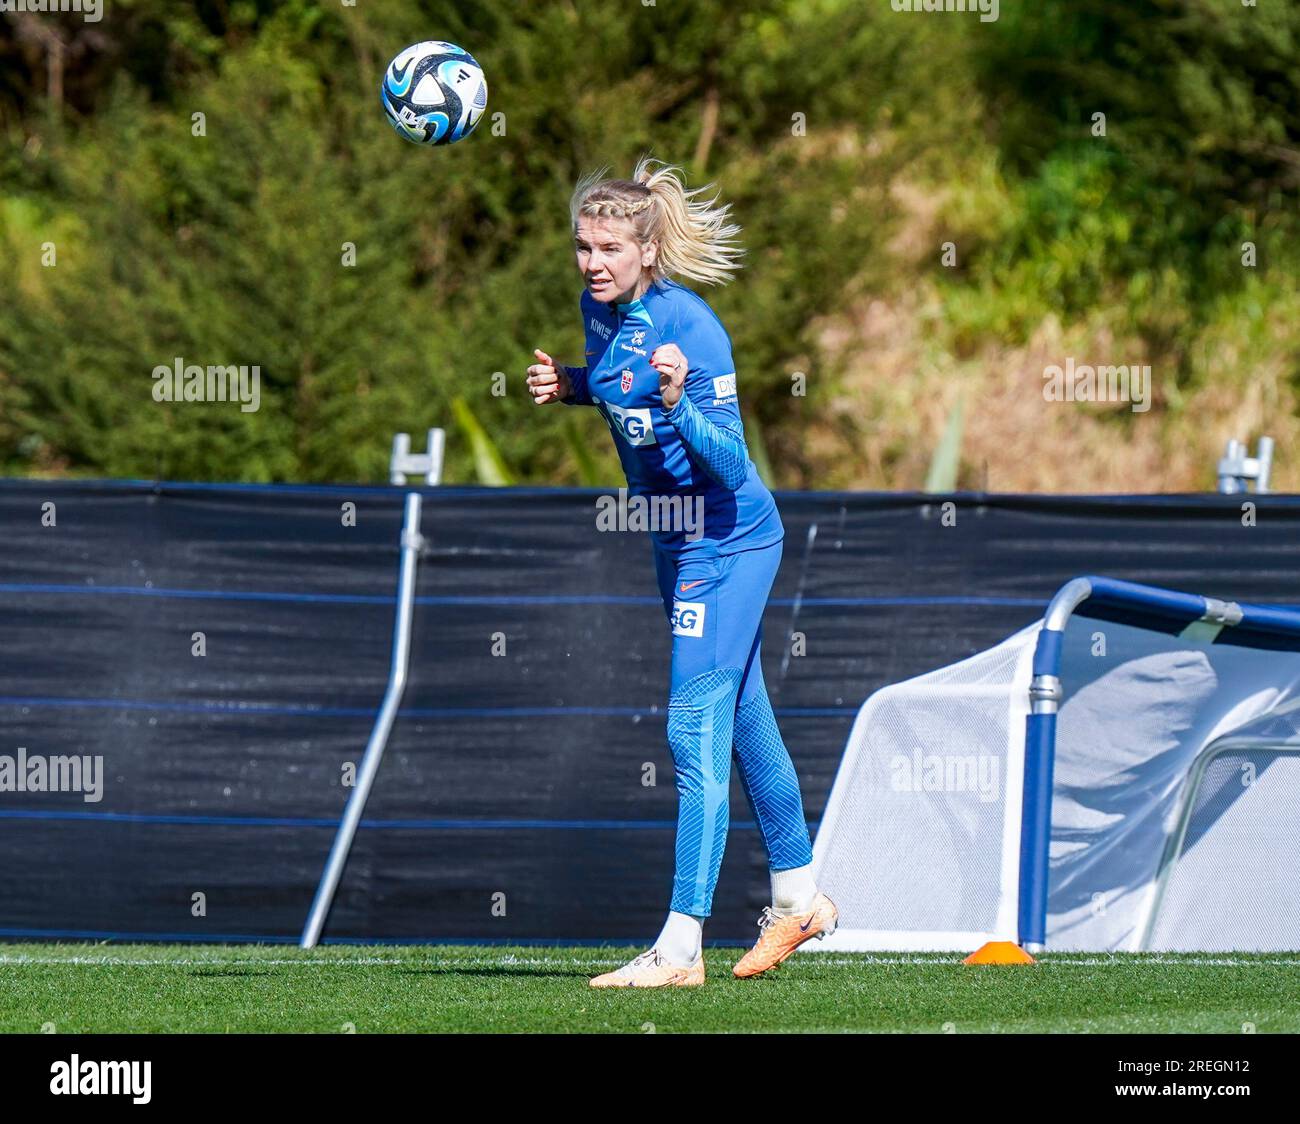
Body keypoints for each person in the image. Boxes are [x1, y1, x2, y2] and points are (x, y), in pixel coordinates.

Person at [526, 156, 836, 987]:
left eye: (609, 249)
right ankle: (801, 897)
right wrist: (574, 387)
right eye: (583, 247)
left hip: (729, 541)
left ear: (648, 251)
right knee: (743, 717)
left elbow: (733, 463)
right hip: (671, 538)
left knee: (691, 730)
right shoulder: (601, 316)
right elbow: (620, 379)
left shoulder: (692, 326)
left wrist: (679, 406)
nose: (593, 262)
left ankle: (679, 947)